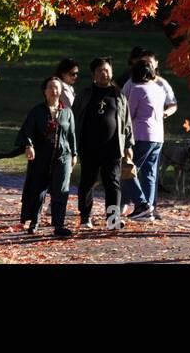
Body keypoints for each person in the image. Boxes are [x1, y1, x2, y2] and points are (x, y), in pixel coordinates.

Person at [73, 57, 133, 229]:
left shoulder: (119, 95)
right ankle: (85, 217)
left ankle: (113, 219)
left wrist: (129, 145)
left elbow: (127, 122)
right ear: (93, 74)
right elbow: (74, 117)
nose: (103, 73)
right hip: (88, 146)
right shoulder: (85, 94)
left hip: (113, 148)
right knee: (87, 182)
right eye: (99, 71)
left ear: (111, 72)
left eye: (106, 70)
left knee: (113, 184)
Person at [19, 76, 78, 237]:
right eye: (51, 87)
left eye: (57, 87)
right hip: (41, 156)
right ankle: (34, 221)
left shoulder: (67, 112)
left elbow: (71, 134)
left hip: (63, 156)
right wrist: (29, 145)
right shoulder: (37, 111)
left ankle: (59, 225)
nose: (54, 90)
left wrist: (74, 154)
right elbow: (27, 131)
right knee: (38, 190)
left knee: (61, 191)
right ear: (44, 91)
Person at [122, 52, 176, 221]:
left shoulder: (137, 89)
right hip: (157, 136)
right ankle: (150, 208)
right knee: (150, 173)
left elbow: (129, 115)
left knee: (129, 169)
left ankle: (141, 204)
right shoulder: (158, 89)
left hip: (141, 134)